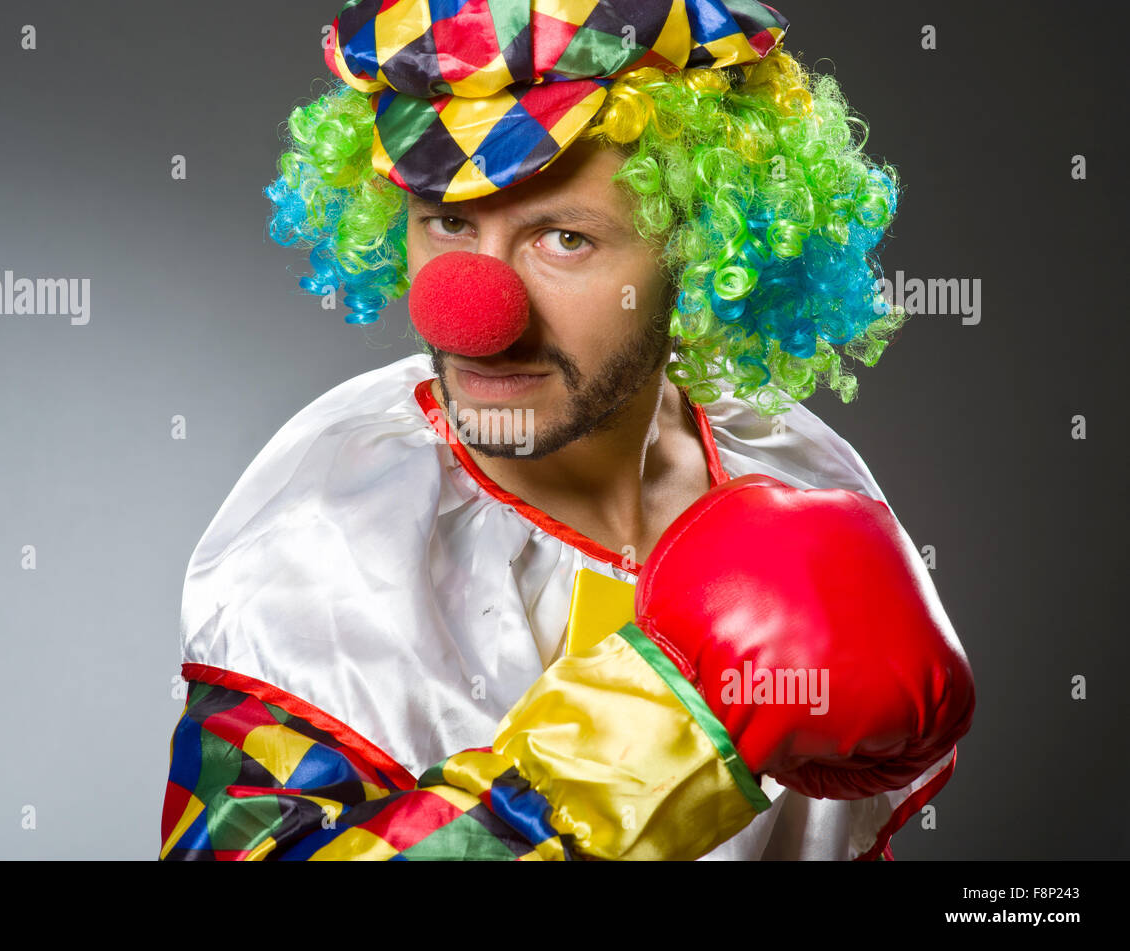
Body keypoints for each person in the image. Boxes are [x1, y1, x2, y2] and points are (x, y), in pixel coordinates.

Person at [159, 0, 975, 861]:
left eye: (562, 237)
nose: (472, 314)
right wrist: (655, 733)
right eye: (448, 220)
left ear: (700, 247)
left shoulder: (796, 471)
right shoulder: (328, 525)